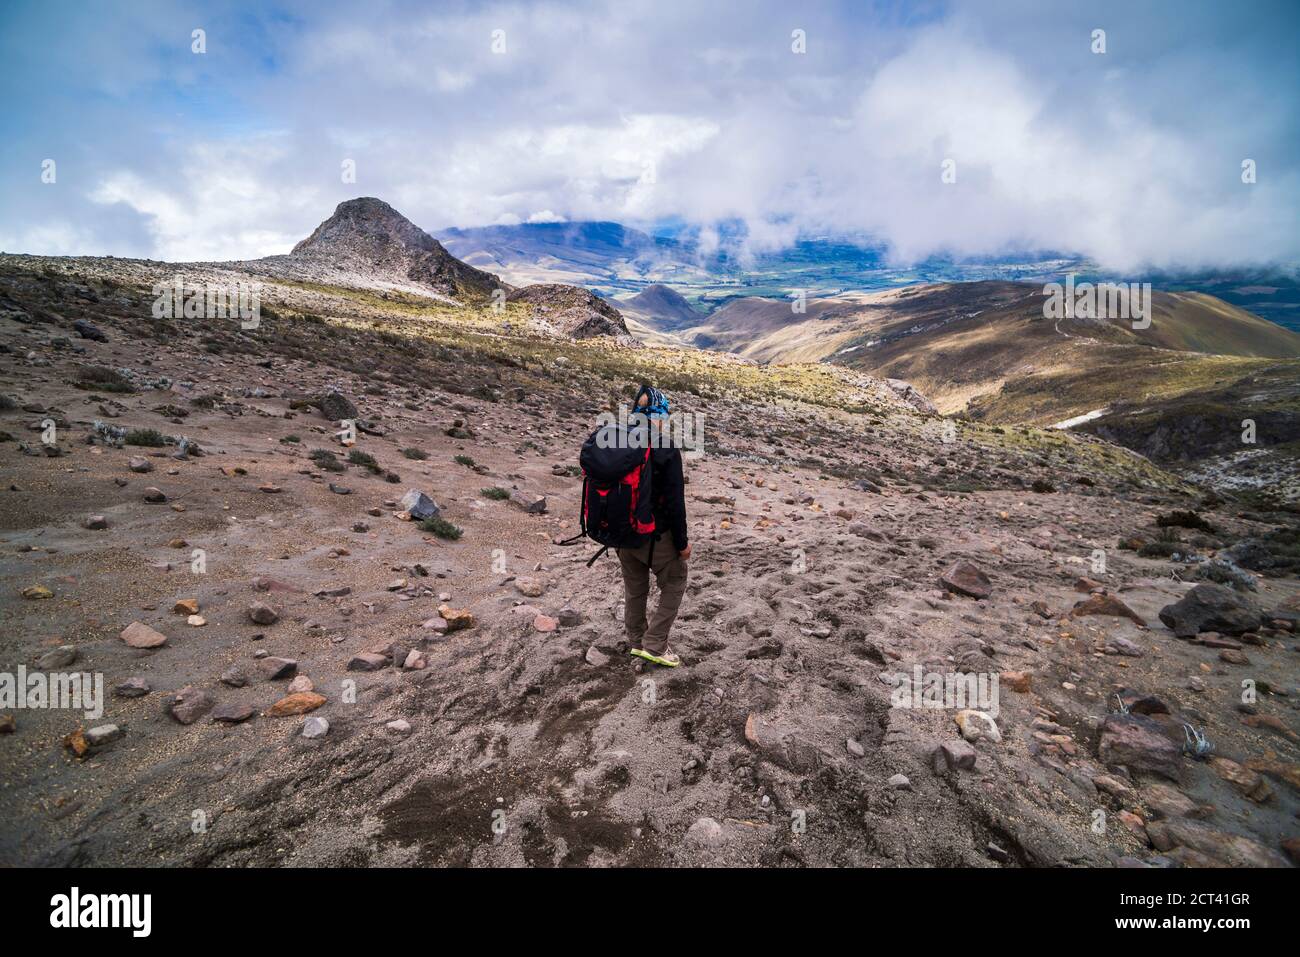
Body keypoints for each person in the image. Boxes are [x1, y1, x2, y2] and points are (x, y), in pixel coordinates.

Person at [621, 385, 690, 667]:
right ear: (659, 415)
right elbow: (675, 503)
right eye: (665, 413)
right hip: (655, 533)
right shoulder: (665, 449)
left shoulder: (618, 442)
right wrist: (682, 543)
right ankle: (654, 644)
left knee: (635, 589)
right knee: (675, 581)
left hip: (622, 533)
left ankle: (637, 641)